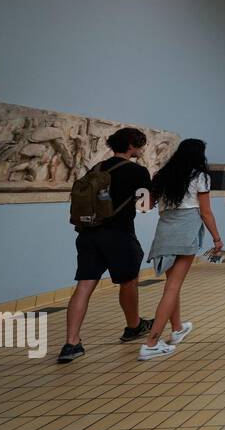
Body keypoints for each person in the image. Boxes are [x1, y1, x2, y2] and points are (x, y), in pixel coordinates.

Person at [57, 127, 155, 363]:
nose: (141, 149)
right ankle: (133, 326)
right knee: (128, 280)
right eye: (140, 144)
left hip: (88, 234)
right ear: (131, 145)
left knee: (84, 285)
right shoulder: (138, 171)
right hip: (119, 234)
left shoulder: (97, 168)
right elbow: (143, 207)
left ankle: (71, 343)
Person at [139, 138, 223, 360]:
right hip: (186, 232)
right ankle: (151, 343)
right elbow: (206, 212)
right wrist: (217, 239)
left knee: (171, 286)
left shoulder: (163, 175)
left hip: (164, 231)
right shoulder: (200, 177)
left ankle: (177, 329)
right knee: (172, 288)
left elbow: (145, 206)